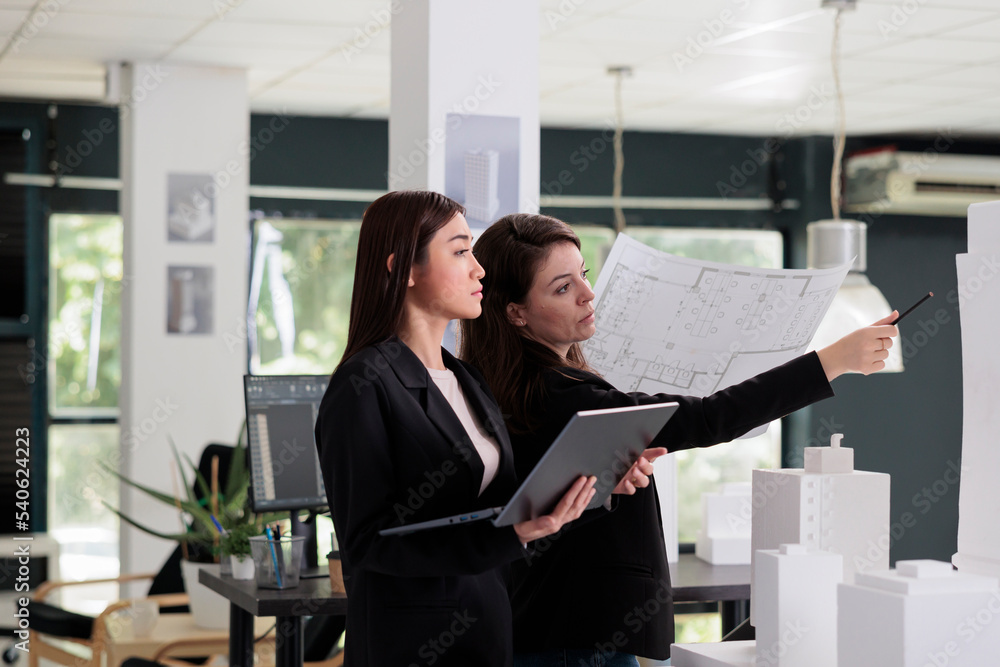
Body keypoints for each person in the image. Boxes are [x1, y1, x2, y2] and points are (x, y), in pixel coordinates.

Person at [459, 213, 899, 667]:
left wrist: (608, 483)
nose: (588, 295)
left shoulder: (510, 387)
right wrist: (833, 360)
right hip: (579, 639)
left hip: (554, 629)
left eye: (584, 276)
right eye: (562, 288)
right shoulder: (563, 395)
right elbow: (711, 418)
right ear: (516, 312)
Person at [314, 193, 598, 667]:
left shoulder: (465, 378)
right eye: (461, 251)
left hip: (487, 636)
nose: (479, 269)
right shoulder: (363, 385)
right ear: (404, 268)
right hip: (412, 647)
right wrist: (507, 536)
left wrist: (595, 482)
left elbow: (495, 508)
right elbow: (367, 543)